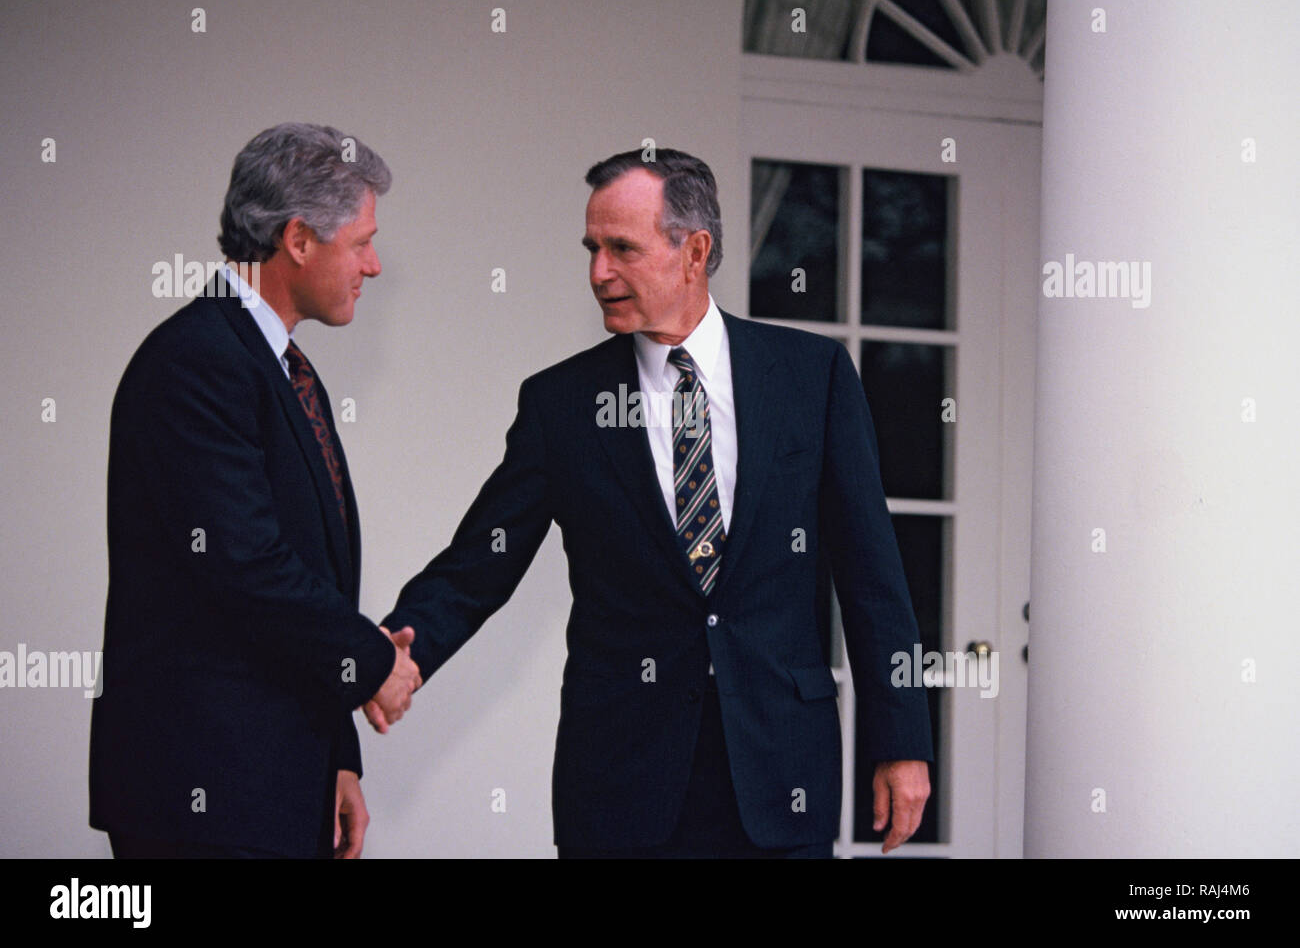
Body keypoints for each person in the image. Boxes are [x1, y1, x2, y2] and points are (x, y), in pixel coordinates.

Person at [382, 148, 932, 857]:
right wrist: (399, 652)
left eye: (621, 249)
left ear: (694, 251)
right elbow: (481, 560)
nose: (597, 273)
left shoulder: (811, 376)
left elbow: (873, 576)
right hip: (620, 787)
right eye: (591, 249)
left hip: (778, 774)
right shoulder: (562, 404)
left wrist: (903, 740)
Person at [89, 123, 421, 859]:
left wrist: (336, 756)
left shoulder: (277, 366)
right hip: (202, 792)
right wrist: (373, 664)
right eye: (361, 241)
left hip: (276, 780)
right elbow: (246, 567)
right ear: (298, 239)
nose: (372, 263)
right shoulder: (197, 362)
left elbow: (311, 583)